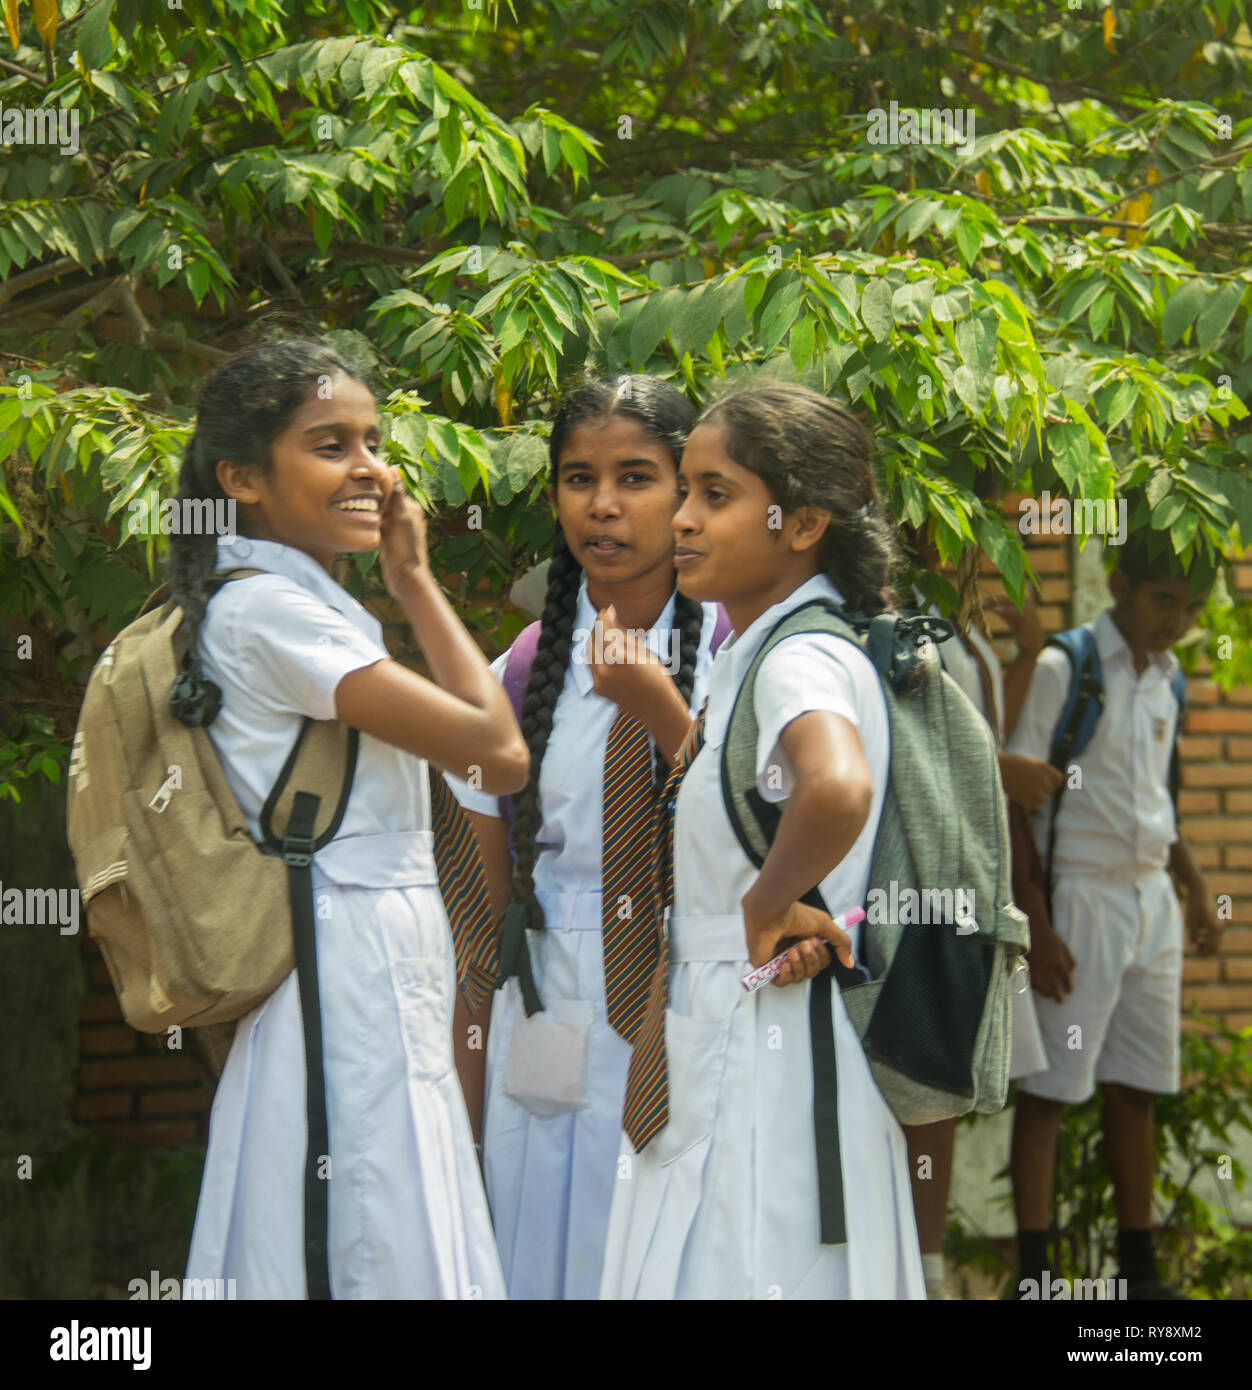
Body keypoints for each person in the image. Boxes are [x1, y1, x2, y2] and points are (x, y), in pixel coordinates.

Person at [179, 338, 528, 1298]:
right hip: (346, 954)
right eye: (331, 446)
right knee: (370, 1218)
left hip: (359, 946)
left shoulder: (297, 601)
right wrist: (418, 585)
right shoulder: (272, 615)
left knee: (375, 1204)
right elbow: (495, 753)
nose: (372, 469)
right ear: (241, 477)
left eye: (374, 441)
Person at [600, 381, 925, 1299]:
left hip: (766, 1049)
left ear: (805, 520)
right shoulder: (760, 649)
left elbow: (838, 784)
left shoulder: (798, 656)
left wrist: (766, 901)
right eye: (687, 491)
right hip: (748, 1028)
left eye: (717, 495)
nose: (684, 520)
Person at [447, 374, 724, 1299]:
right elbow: (480, 933)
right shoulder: (521, 673)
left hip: (694, 1012)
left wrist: (659, 707)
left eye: (637, 478)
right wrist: (462, 1125)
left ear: (691, 493)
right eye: (577, 478)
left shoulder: (743, 656)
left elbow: (759, 840)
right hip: (553, 1026)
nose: (602, 506)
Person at [1005, 531, 1221, 1299]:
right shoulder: (1069, 666)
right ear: (1121, 585)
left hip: (1149, 900)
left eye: (1192, 608)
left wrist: (1194, 888)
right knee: (1051, 1093)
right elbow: (1016, 796)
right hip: (1080, 899)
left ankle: (1140, 1273)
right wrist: (1035, 917)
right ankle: (1034, 1275)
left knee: (1137, 1086)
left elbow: (1156, 801)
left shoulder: (1169, 678)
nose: (1177, 621)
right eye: (1165, 600)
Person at [902, 510, 1054, 1298]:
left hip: (972, 882)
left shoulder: (962, 632)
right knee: (918, 1076)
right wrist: (1003, 774)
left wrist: (1026, 656)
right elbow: (923, 756)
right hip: (924, 882)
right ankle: (916, 1267)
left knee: (943, 1087)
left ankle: (926, 1265)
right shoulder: (905, 625)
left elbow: (986, 734)